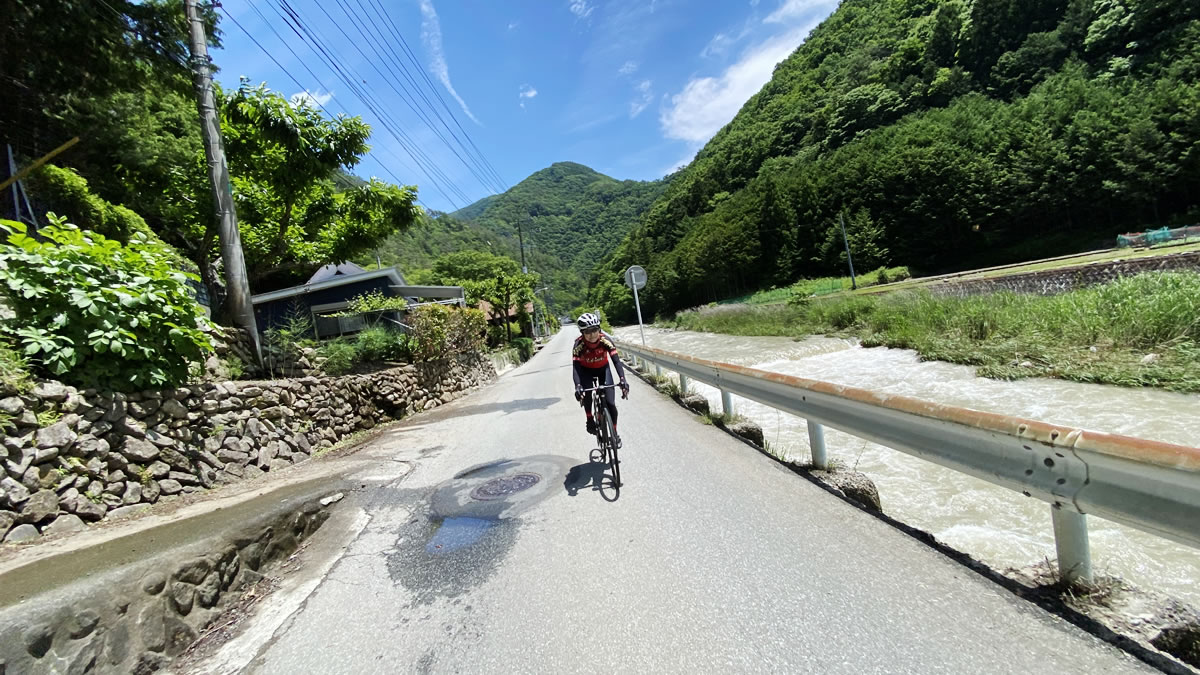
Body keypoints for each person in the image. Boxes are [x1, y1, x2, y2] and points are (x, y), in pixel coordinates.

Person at [571, 313, 629, 448]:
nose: (592, 335)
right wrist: (578, 386)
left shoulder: (605, 341)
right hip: (586, 371)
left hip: (603, 370)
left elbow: (616, 361)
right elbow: (576, 368)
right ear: (582, 333)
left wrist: (623, 380)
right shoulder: (578, 345)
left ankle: (614, 433)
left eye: (594, 330)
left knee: (611, 403)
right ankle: (589, 418)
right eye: (587, 332)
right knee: (586, 394)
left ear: (599, 329)